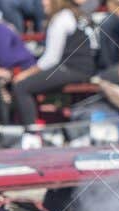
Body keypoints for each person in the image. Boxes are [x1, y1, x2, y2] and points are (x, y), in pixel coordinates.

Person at [12, 0, 99, 132]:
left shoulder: (61, 18)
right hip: (87, 68)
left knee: (21, 86)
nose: (42, 3)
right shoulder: (79, 14)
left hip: (73, 69)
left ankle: (32, 133)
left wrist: (26, 74)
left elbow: (51, 59)